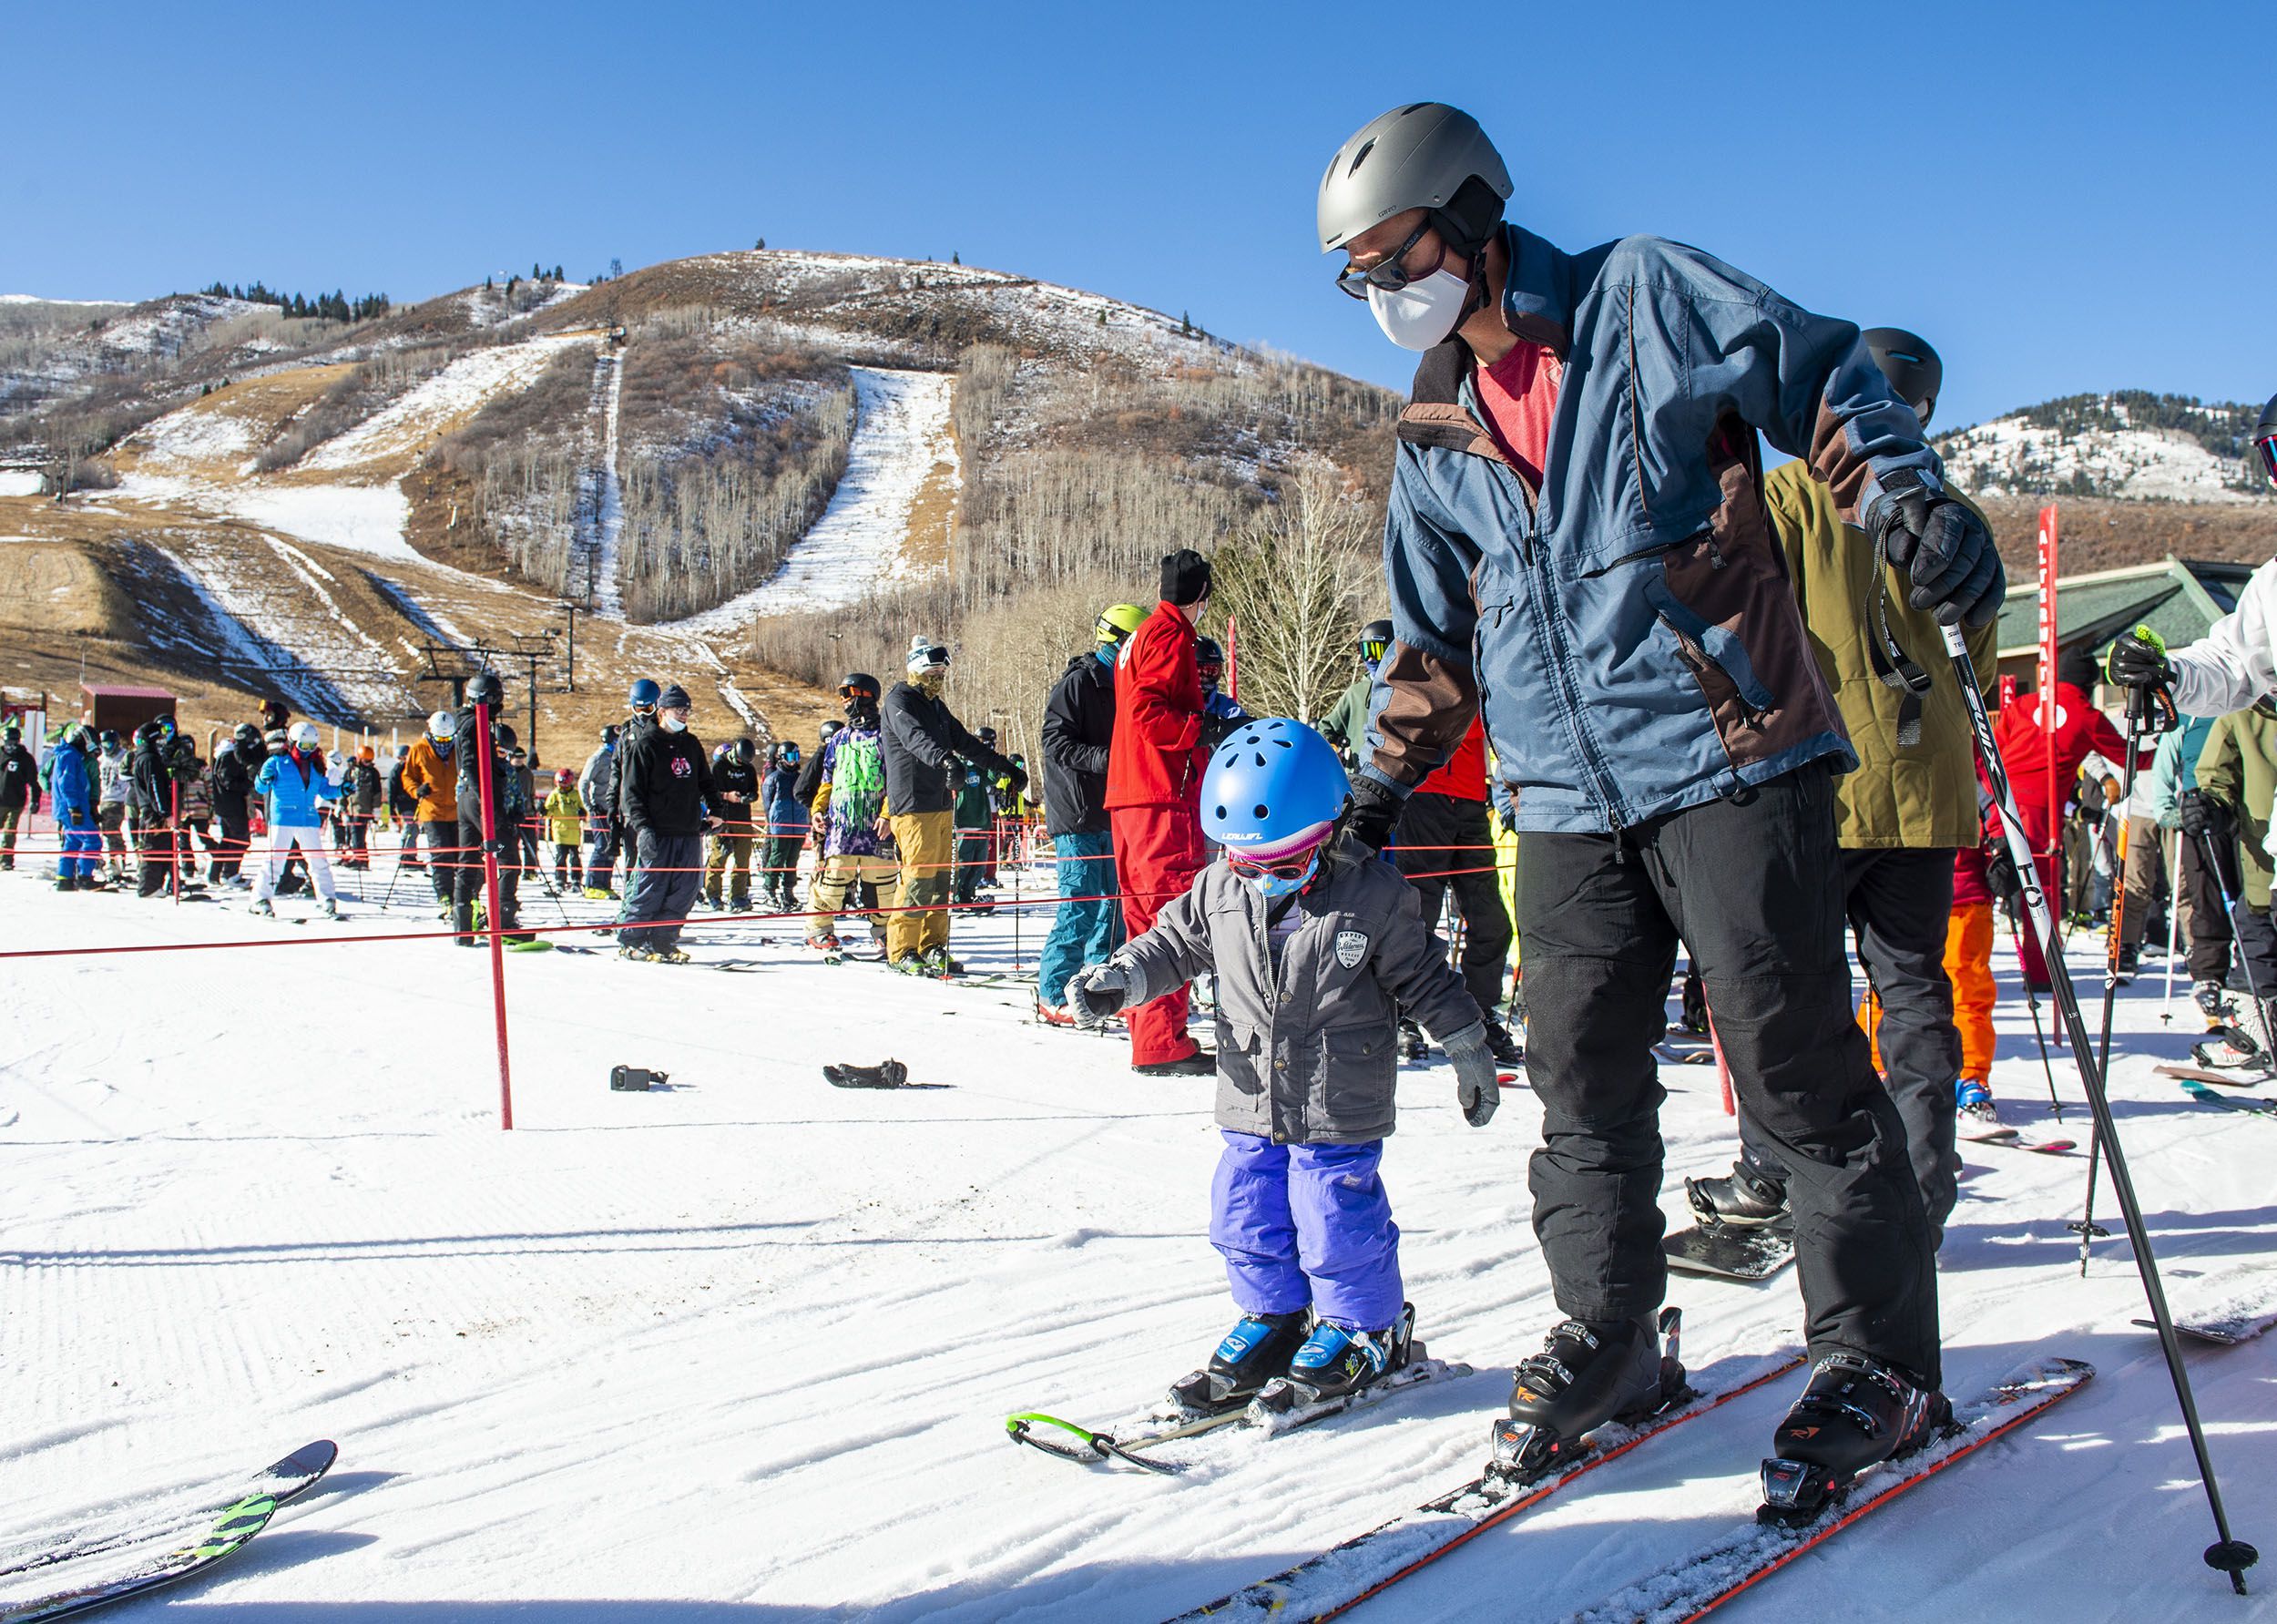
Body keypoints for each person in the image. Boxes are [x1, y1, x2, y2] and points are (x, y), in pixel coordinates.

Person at [1318, 101, 2000, 1490]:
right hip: (1563, 792)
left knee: (1796, 1061)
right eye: (1361, 274)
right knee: (1580, 1077)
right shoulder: (1434, 426)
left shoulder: (1641, 297)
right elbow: (1431, 642)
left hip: (1730, 750)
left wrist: (1909, 494)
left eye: (1395, 255)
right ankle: (1615, 1328)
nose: (1385, 291)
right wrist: (1376, 788)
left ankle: (1878, 1356)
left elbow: (1827, 377)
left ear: (1471, 219)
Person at [1067, 720, 1498, 1408]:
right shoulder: (1218, 890)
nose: (1264, 879)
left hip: (1338, 1094)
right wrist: (1121, 978)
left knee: (1331, 1212)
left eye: (1286, 865)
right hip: (1250, 1091)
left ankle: (1366, 1327)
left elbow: (1425, 978)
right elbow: (1171, 945)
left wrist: (1467, 1044)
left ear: (1327, 833)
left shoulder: (1374, 896)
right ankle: (1275, 1313)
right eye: (1248, 862)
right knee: (1244, 1209)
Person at [1687, 330, 1995, 1241]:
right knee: (1912, 996)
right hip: (1926, 787)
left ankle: (1775, 1174)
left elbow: (1733, 608)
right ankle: (1923, 1188)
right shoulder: (1951, 515)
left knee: (1791, 991)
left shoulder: (1787, 496)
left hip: (1815, 781)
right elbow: (1971, 658)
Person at [1106, 551, 1219, 1076]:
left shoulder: (1140, 635)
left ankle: (1150, 1033)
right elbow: (1149, 711)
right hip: (1159, 794)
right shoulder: (1172, 635)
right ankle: (1160, 1042)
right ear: (1201, 597)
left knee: (1140, 917)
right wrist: (1201, 730)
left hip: (1131, 794)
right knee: (1168, 917)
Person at [879, 638, 1023, 975]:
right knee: (918, 878)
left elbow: (966, 742)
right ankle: (902, 948)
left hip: (942, 803)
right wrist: (945, 761)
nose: (938, 678)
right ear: (916, 669)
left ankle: (932, 943)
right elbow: (916, 738)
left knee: (940, 878)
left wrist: (1004, 767)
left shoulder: (936, 707)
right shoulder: (900, 700)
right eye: (933, 671)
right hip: (913, 803)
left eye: (942, 672)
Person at [1990, 643, 2127, 990]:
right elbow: (2133, 758)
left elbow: (1994, 750)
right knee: (2041, 892)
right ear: (2088, 684)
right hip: (2039, 817)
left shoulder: (2022, 704)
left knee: (1977, 888)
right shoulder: (2086, 715)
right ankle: (2040, 973)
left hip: (1997, 804)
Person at [1038, 604, 1143, 1022]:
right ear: (1116, 639)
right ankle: (1052, 990)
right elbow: (1055, 742)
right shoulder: (1080, 682)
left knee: (1113, 904)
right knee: (1080, 903)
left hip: (1113, 808)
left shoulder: (1126, 683)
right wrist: (1111, 759)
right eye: (1135, 644)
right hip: (1078, 812)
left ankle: (1098, 985)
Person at [2181, 703, 2277, 1064]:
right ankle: (2256, 1036)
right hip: (2264, 864)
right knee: (2257, 937)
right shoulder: (2245, 709)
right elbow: (2218, 775)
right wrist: (2210, 805)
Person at [616, 683, 717, 961]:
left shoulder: (692, 744)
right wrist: (643, 828)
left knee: (684, 890)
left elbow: (706, 781)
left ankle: (664, 939)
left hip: (688, 830)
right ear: (662, 712)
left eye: (687, 710)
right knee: (650, 887)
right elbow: (632, 794)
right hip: (657, 831)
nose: (684, 714)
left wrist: (716, 809)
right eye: (678, 709)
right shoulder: (644, 746)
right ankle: (632, 938)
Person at [807, 675, 898, 955]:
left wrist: (887, 813)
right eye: (842, 694)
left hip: (876, 828)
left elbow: (896, 780)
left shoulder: (887, 736)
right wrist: (818, 809)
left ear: (866, 695)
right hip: (842, 828)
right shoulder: (839, 739)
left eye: (849, 693)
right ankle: (819, 929)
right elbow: (827, 780)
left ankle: (884, 930)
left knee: (883, 885)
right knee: (833, 881)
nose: (845, 700)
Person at [451, 672, 522, 946]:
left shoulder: (467, 721)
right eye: (497, 698)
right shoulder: (474, 724)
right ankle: (503, 921)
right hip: (480, 799)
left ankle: (463, 926)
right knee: (508, 860)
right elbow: (471, 763)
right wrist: (487, 801)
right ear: (488, 699)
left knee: (468, 860)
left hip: (467, 800)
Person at [250, 720, 341, 918]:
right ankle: (260, 898)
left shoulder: (316, 765)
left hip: (307, 818)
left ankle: (327, 899)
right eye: (303, 746)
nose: (308, 751)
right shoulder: (277, 762)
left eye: (311, 746)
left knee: (318, 860)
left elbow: (324, 790)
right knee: (275, 859)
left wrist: (343, 790)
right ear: (292, 742)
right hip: (283, 817)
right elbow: (261, 788)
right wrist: (262, 778)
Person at [400, 710, 462, 912]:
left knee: (461, 855)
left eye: (447, 738)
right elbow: (408, 776)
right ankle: (444, 894)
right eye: (440, 738)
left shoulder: (459, 747)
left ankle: (462, 894)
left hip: (457, 810)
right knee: (441, 854)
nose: (444, 741)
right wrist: (416, 790)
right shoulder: (419, 749)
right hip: (432, 811)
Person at [1318, 622, 1393, 765]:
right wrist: (1333, 748)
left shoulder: (1406, 690)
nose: (1370, 659)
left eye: (1376, 651)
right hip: (1360, 772)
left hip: (1396, 777)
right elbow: (1326, 728)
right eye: (1365, 651)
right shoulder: (1356, 693)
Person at [702, 737, 762, 911]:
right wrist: (726, 796)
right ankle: (713, 894)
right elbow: (706, 793)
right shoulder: (718, 767)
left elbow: (754, 791)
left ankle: (738, 895)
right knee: (718, 858)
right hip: (722, 818)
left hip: (743, 818)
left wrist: (748, 797)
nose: (740, 764)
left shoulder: (749, 769)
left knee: (743, 859)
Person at [129, 715, 183, 898]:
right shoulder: (149, 759)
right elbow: (155, 787)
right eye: (159, 738)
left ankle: (162, 883)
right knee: (154, 848)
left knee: (165, 847)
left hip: (156, 811)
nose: (162, 742)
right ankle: (148, 887)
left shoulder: (148, 757)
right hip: (154, 813)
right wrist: (165, 812)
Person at [43, 724, 99, 891]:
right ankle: (85, 877)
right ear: (83, 740)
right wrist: (74, 807)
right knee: (92, 839)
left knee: (73, 841)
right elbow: (66, 783)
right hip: (71, 807)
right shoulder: (69, 756)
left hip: (72, 806)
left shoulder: (70, 755)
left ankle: (64, 878)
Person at [760, 741, 809, 913]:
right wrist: (772, 822)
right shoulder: (774, 778)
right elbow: (767, 802)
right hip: (781, 825)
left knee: (792, 860)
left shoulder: (799, 777)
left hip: (798, 825)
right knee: (777, 858)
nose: (793, 761)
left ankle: (788, 891)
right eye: (789, 757)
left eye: (796, 756)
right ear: (781, 757)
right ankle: (769, 889)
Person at [208, 729, 257, 885]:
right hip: (232, 805)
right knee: (241, 839)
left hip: (227, 805)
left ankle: (215, 873)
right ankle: (230, 874)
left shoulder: (224, 756)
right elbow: (228, 781)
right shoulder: (229, 757)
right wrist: (248, 783)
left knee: (228, 839)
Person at [578, 724, 620, 898]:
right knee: (601, 846)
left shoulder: (619, 757)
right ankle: (592, 884)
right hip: (600, 808)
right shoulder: (599, 758)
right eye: (615, 741)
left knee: (612, 847)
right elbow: (583, 782)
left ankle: (605, 883)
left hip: (614, 809)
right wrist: (589, 806)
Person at [0, 721, 42, 871]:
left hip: (15, 801)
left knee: (9, 831)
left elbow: (34, 782)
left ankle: (6, 859)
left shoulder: (25, 759)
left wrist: (35, 800)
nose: (10, 746)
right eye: (7, 742)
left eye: (13, 742)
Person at [97, 730, 134, 882]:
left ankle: (117, 861)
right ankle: (105, 860)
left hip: (118, 799)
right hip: (103, 799)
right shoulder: (101, 759)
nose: (107, 747)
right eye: (104, 744)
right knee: (102, 831)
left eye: (110, 744)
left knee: (111, 830)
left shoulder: (124, 757)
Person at [543, 768, 586, 894]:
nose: (562, 787)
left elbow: (582, 809)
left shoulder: (575, 795)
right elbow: (548, 811)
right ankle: (560, 880)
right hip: (560, 831)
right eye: (560, 784)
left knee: (575, 858)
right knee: (561, 857)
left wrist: (582, 813)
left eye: (565, 784)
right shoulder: (555, 795)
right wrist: (544, 811)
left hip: (573, 832)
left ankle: (576, 880)